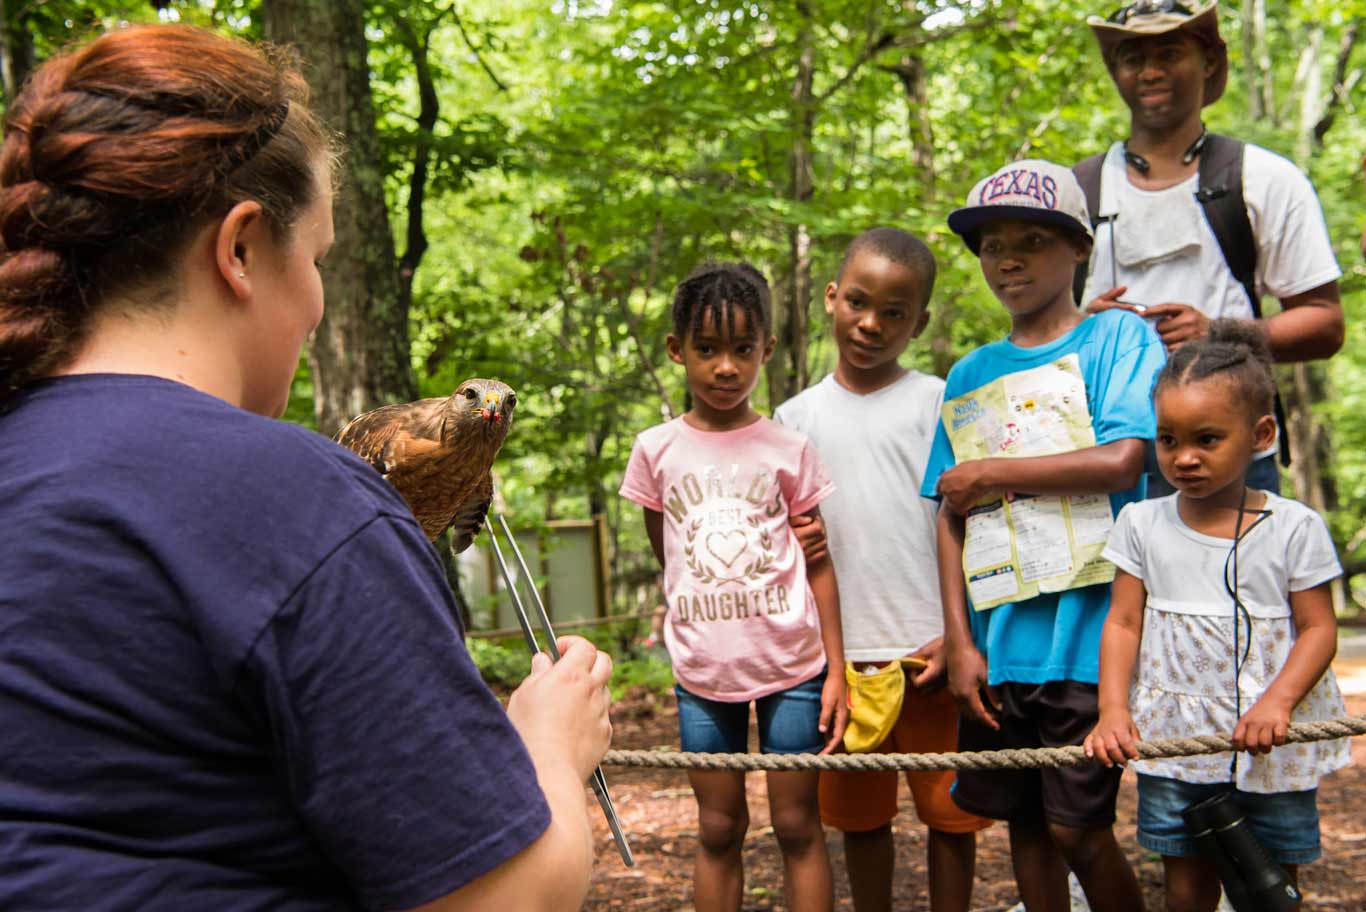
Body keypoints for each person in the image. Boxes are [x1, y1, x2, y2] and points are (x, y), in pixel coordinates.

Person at [0, 24, 612, 912]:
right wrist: (548, 743)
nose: (320, 302)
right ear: (242, 247)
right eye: (320, 258)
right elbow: (503, 897)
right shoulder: (298, 504)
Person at [923, 159, 1167, 912]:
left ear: (1079, 250)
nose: (1010, 259)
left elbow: (1126, 458)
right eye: (994, 246)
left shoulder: (1115, 341)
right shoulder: (969, 374)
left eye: (1033, 240)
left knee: (1078, 829)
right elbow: (949, 510)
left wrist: (995, 471)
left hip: (1090, 640)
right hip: (1000, 645)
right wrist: (960, 642)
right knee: (1022, 826)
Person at [1084, 321, 1350, 912]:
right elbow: (1123, 623)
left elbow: (1318, 628)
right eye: (1168, 439)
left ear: (1260, 434)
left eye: (1207, 439)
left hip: (1272, 745)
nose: (1185, 458)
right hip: (1176, 738)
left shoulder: (1294, 527)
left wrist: (1277, 703)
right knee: (1185, 883)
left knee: (1271, 886)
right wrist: (1113, 710)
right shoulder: (1142, 524)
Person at [619, 261, 848, 912]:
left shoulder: (790, 448)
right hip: (701, 673)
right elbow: (667, 548)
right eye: (708, 349)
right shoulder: (655, 451)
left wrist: (836, 671)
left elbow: (819, 562)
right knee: (719, 828)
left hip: (793, 666)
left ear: (766, 352)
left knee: (798, 824)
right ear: (676, 351)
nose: (726, 367)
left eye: (743, 350)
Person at [774, 228, 992, 912]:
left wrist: (965, 635)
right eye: (859, 303)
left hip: (932, 652)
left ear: (919, 322)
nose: (871, 323)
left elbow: (974, 523)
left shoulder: (940, 403)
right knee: (860, 822)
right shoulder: (794, 417)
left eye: (894, 312)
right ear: (832, 299)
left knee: (951, 820)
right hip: (841, 665)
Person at [1080, 0, 1344, 496]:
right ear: (1115, 72)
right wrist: (1085, 329)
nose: (1151, 71)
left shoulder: (1265, 179)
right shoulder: (1079, 191)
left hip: (1233, 458)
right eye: (1133, 57)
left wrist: (1218, 332)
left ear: (1207, 62)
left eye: (1170, 52)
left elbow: (1325, 325)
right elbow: (1036, 332)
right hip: (1105, 458)